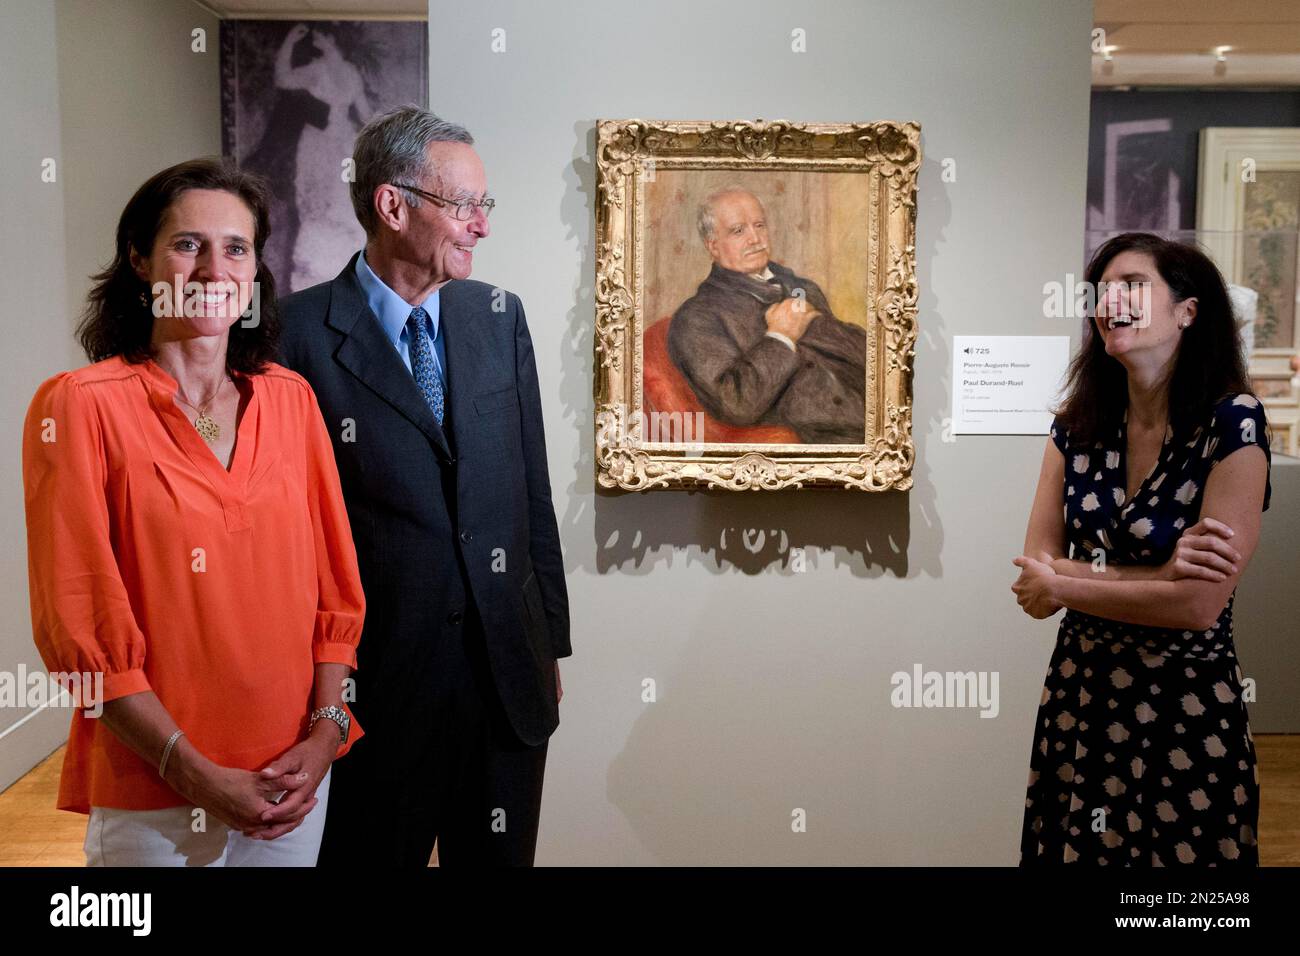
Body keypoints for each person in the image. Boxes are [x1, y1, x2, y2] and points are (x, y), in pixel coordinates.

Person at [22, 159, 365, 866]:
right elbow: (77, 622)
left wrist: (326, 733)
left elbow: (336, 594)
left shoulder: (291, 398)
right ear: (141, 260)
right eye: (188, 245)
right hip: (155, 789)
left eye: (236, 248)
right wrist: (191, 771)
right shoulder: (80, 406)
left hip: (292, 782)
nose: (214, 269)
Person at [278, 106, 570, 867]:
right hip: (377, 692)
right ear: (393, 204)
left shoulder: (498, 317)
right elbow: (288, 538)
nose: (482, 226)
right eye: (465, 205)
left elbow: (531, 493)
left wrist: (549, 649)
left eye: (486, 206)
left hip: (505, 683)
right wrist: (320, 696)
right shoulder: (294, 336)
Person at [1012, 232, 1271, 865]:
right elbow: (1031, 587)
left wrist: (1069, 582)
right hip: (1084, 697)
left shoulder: (1232, 422)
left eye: (1133, 284)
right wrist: (1161, 573)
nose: (1111, 300)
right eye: (1102, 290)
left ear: (1188, 310)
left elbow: (1197, 608)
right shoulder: (1075, 425)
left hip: (1185, 705)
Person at [666, 187, 867, 444]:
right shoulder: (695, 317)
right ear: (713, 246)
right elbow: (737, 406)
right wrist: (780, 338)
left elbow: (864, 355)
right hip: (818, 443)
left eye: (759, 225)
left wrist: (815, 324)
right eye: (738, 231)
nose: (755, 239)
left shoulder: (802, 288)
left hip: (869, 420)